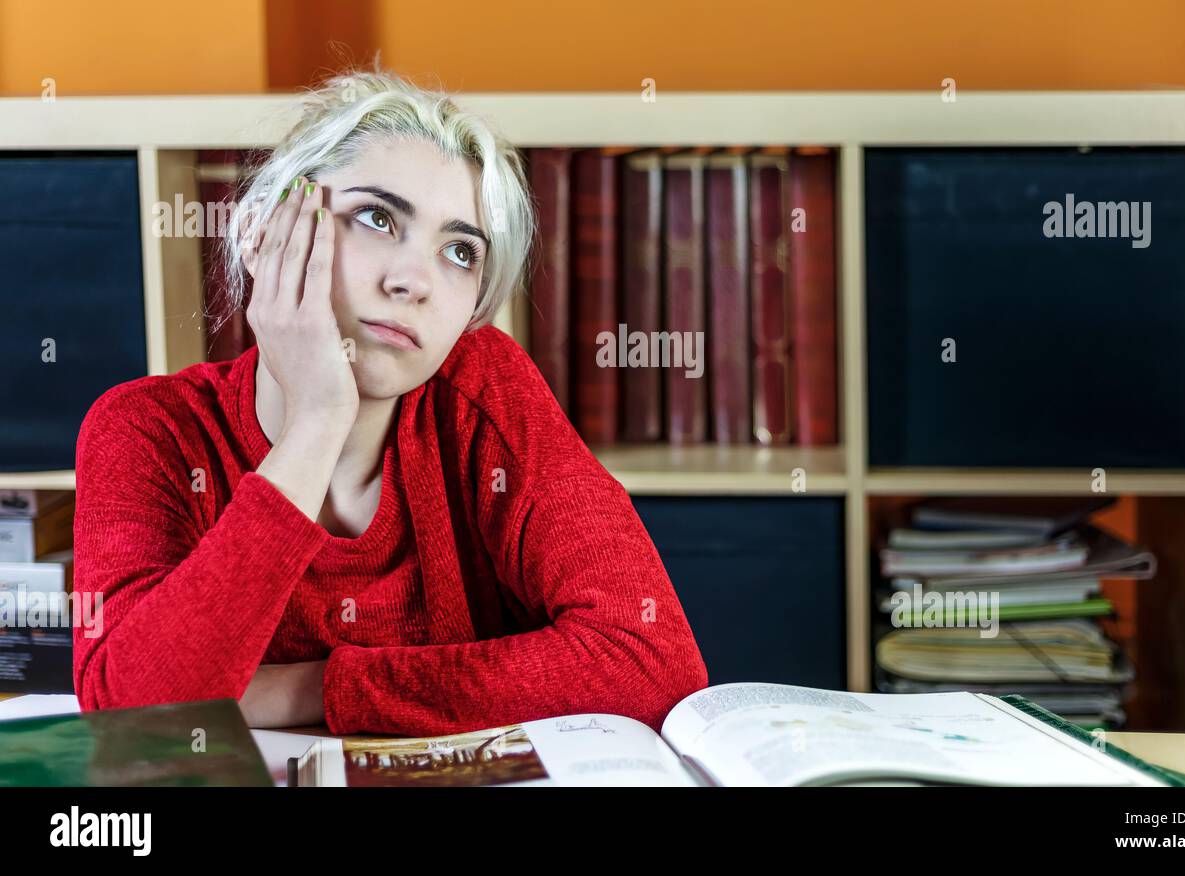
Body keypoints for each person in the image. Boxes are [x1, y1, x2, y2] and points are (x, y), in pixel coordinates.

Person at [72, 69, 709, 737]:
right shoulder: (148, 429)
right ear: (263, 231)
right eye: (378, 217)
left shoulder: (484, 390)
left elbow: (652, 658)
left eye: (460, 252)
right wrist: (316, 422)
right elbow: (134, 715)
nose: (415, 281)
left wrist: (320, 686)